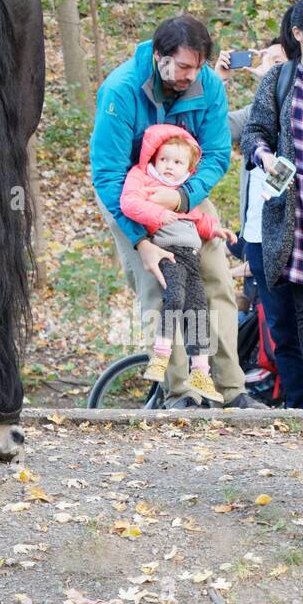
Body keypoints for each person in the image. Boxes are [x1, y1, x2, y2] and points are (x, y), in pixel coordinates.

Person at [90, 13, 263, 409]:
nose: (191, 76)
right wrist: (141, 241)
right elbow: (107, 174)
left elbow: (218, 153)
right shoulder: (120, 90)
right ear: (159, 56)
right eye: (184, 66)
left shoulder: (209, 86)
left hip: (184, 191)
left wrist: (185, 198)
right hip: (130, 194)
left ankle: (230, 388)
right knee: (162, 287)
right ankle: (181, 391)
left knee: (216, 279)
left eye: (198, 67)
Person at [242, 0, 303, 410]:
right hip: (296, 215)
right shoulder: (278, 80)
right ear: (298, 34)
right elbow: (254, 132)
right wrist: (264, 155)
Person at [219, 31, 303, 408]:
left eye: (277, 63)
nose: (268, 69)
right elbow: (217, 130)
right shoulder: (259, 108)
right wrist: (219, 82)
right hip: (260, 236)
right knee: (281, 330)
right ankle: (298, 406)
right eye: (266, 62)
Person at [120, 125, 235, 401]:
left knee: (197, 310)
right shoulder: (146, 179)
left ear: (187, 168)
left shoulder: (183, 190)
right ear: (154, 158)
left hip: (191, 257)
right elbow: (129, 204)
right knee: (175, 299)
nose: (169, 167)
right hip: (167, 253)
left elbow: (196, 218)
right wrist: (159, 214)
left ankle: (200, 370)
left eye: (177, 162)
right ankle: (161, 356)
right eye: (164, 160)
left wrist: (214, 229)